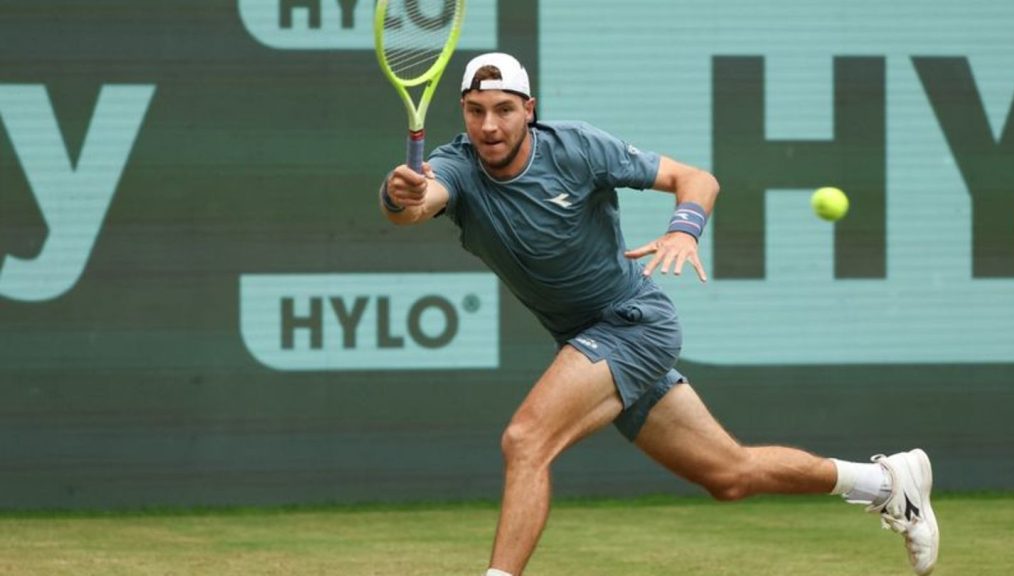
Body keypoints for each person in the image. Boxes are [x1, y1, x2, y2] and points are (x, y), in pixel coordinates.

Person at [378, 52, 939, 576]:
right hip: (584, 338)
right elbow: (420, 204)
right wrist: (399, 195)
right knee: (729, 475)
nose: (490, 126)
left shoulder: (576, 149)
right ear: (463, 114)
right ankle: (886, 481)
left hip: (632, 323)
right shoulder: (455, 165)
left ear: (529, 109)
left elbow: (697, 180)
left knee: (526, 440)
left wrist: (683, 228)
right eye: (476, 112)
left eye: (504, 110)